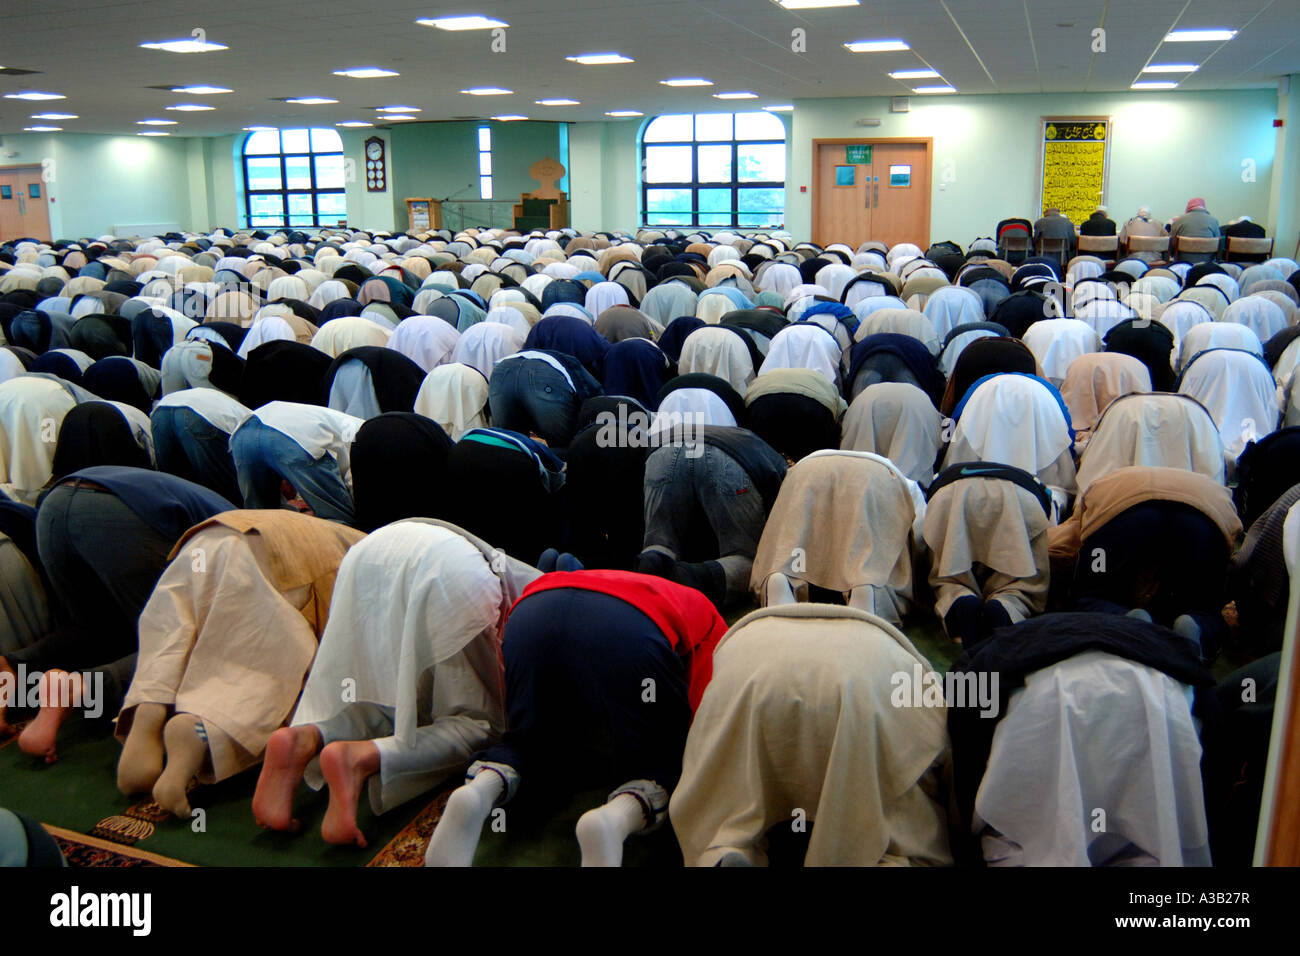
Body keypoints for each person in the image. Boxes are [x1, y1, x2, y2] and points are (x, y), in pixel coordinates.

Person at [252, 520, 536, 847]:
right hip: (449, 575)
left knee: (391, 694)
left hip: (371, 553)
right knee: (479, 724)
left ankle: (309, 736)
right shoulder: (540, 593)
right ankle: (363, 758)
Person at [425, 569, 727, 868]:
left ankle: (480, 789)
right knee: (662, 760)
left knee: (528, 737)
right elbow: (703, 716)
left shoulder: (617, 577)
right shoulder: (715, 623)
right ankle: (613, 820)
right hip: (630, 633)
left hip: (533, 613)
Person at [115, 510, 365, 816]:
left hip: (209, 537)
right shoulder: (370, 562)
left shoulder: (352, 535)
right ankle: (199, 729)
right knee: (253, 673)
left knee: (174, 636)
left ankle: (151, 705)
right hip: (283, 560)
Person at [669, 604, 952, 867]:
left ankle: (725, 847)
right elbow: (935, 741)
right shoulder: (912, 670)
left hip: (749, 667)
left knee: (727, 795)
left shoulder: (727, 626)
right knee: (906, 822)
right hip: (863, 687)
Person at [0, 467, 233, 755]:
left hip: (54, 508)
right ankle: (79, 688)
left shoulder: (220, 507)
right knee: (188, 638)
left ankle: (10, 669)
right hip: (117, 519)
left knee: (97, 629)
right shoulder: (252, 537)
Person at [228, 401, 363, 526]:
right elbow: (356, 488)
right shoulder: (366, 435)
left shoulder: (355, 425)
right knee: (338, 521)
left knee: (258, 520)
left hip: (244, 431)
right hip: (295, 434)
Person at [1169, 198, 1221, 263]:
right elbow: (1219, 243)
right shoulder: (1214, 221)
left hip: (1183, 262)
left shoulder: (1179, 221)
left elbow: (1171, 243)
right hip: (1208, 262)